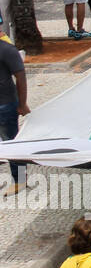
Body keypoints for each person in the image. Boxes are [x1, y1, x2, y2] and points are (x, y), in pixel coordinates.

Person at [0, 32, 29, 196]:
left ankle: (20, 180)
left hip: (5, 105)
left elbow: (21, 76)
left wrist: (22, 103)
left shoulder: (7, 49)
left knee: (11, 143)